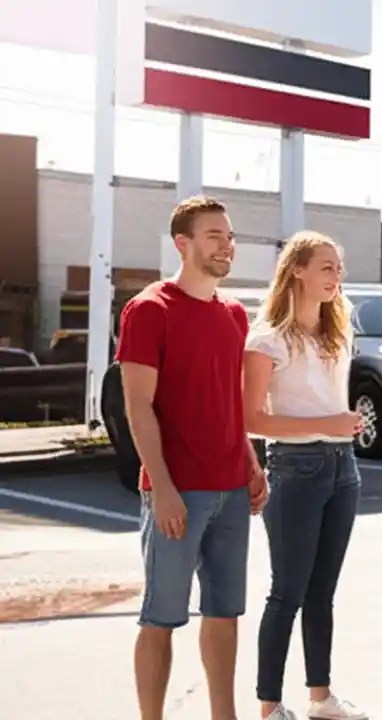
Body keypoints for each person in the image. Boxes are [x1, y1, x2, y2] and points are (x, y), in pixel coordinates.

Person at [118, 195, 268, 720]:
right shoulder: (149, 310)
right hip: (177, 491)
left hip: (231, 488)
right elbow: (137, 406)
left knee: (225, 613)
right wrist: (161, 487)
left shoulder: (232, 314)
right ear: (183, 244)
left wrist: (250, 461)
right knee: (160, 617)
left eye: (229, 236)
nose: (226, 245)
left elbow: (228, 398)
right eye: (214, 236)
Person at [243, 231, 367, 720]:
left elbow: (327, 400)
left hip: (343, 468)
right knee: (287, 592)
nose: (336, 277)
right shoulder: (266, 339)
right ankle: (269, 706)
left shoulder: (340, 329)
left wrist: (344, 424)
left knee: (323, 593)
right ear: (297, 269)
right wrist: (327, 425)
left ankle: (321, 698)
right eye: (326, 267)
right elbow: (252, 419)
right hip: (296, 470)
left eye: (338, 268)